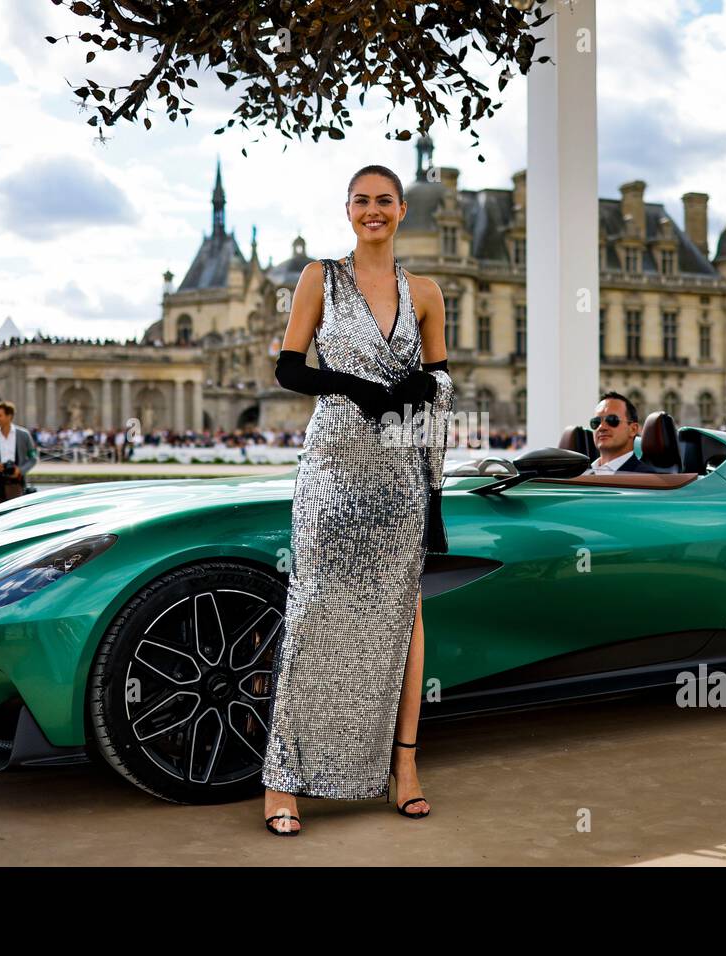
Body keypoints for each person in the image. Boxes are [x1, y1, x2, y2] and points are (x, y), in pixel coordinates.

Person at [260, 164, 455, 836]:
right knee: (312, 610)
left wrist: (434, 489)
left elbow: (441, 384)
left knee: (404, 619)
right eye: (361, 201)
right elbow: (288, 367)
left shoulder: (426, 292)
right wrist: (357, 387)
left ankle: (404, 770)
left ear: (402, 211)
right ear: (348, 211)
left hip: (401, 470)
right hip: (333, 465)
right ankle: (284, 778)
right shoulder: (320, 277)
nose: (373, 211)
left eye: (385, 202)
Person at [582, 391, 659, 474]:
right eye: (596, 422)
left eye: (612, 420)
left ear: (633, 429)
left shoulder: (646, 479)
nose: (601, 427)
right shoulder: (580, 474)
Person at [0, 400, 37, 506]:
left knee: (16, 514)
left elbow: (33, 458)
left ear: (9, 416)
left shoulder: (24, 435)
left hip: (16, 482)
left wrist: (20, 470)